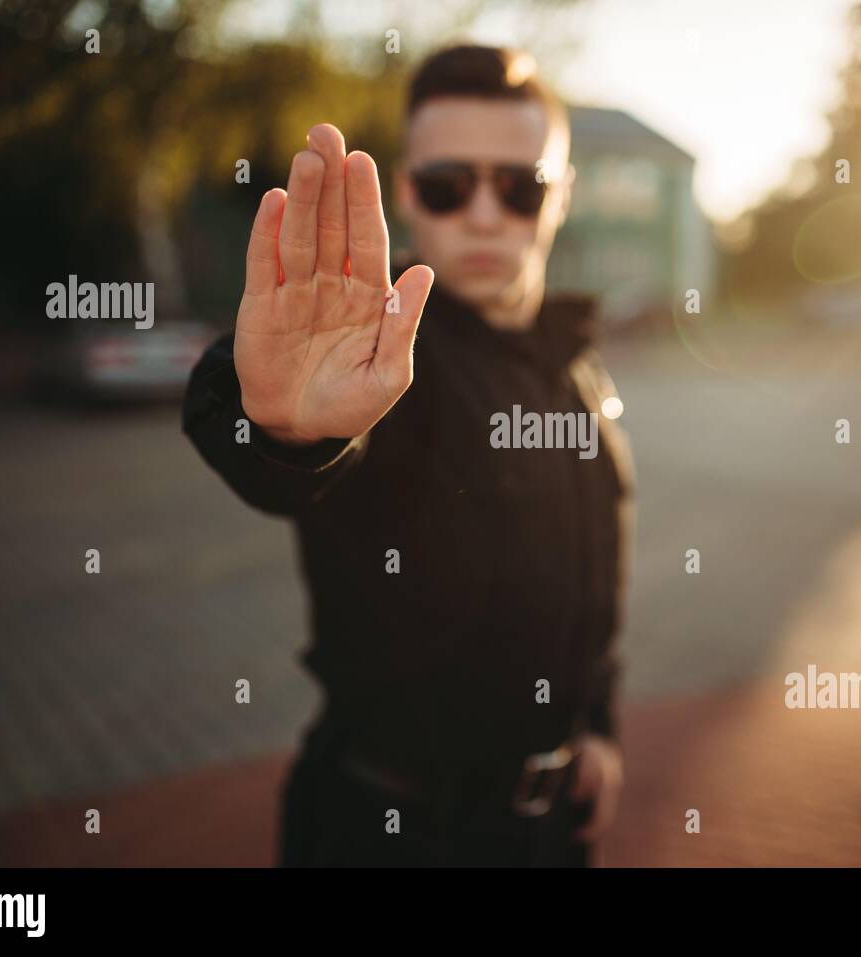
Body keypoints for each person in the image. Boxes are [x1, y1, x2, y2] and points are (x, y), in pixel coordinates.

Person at [182, 44, 634, 867]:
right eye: (449, 185)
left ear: (561, 194)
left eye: (521, 185)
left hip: (551, 832)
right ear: (404, 190)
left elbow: (591, 581)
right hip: (390, 831)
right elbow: (266, 440)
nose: (488, 214)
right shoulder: (377, 354)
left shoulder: (577, 369)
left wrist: (595, 728)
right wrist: (286, 427)